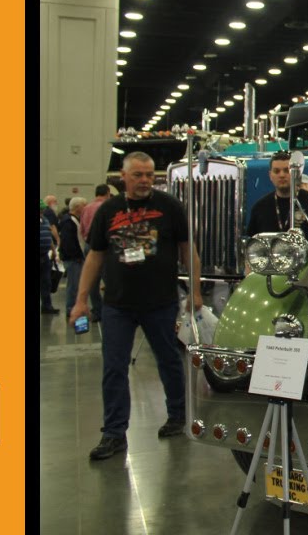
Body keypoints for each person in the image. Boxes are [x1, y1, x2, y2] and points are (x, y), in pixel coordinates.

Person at [69, 152, 202, 461]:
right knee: (114, 368)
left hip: (160, 302)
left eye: (149, 175)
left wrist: (195, 291)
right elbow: (95, 256)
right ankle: (114, 434)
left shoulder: (170, 207)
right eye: (138, 175)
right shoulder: (108, 211)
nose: (144, 181)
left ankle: (177, 416)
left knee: (168, 360)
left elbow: (187, 249)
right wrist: (80, 300)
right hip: (117, 304)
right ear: (123, 178)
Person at [247, 151, 308, 243]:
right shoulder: (260, 208)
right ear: (270, 175)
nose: (282, 175)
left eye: (287, 170)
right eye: (277, 171)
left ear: (297, 173)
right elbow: (252, 244)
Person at [79, 184, 111, 322]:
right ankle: (112, 310)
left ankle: (97, 310)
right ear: (108, 193)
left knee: (92, 281)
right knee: (109, 279)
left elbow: (81, 228)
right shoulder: (107, 207)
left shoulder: (86, 208)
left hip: (89, 244)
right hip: (104, 247)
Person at [59, 197, 87, 317]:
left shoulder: (74, 219)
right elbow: (68, 241)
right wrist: (76, 255)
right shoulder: (68, 221)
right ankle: (71, 308)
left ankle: (74, 306)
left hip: (76, 257)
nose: (85, 208)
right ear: (77, 207)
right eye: (83, 206)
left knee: (76, 284)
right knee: (73, 285)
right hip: (73, 258)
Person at [38, 200, 59, 314]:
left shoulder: (45, 220)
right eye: (41, 209)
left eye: (43, 209)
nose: (42, 211)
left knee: (46, 282)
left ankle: (47, 306)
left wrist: (53, 250)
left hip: (45, 256)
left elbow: (49, 235)